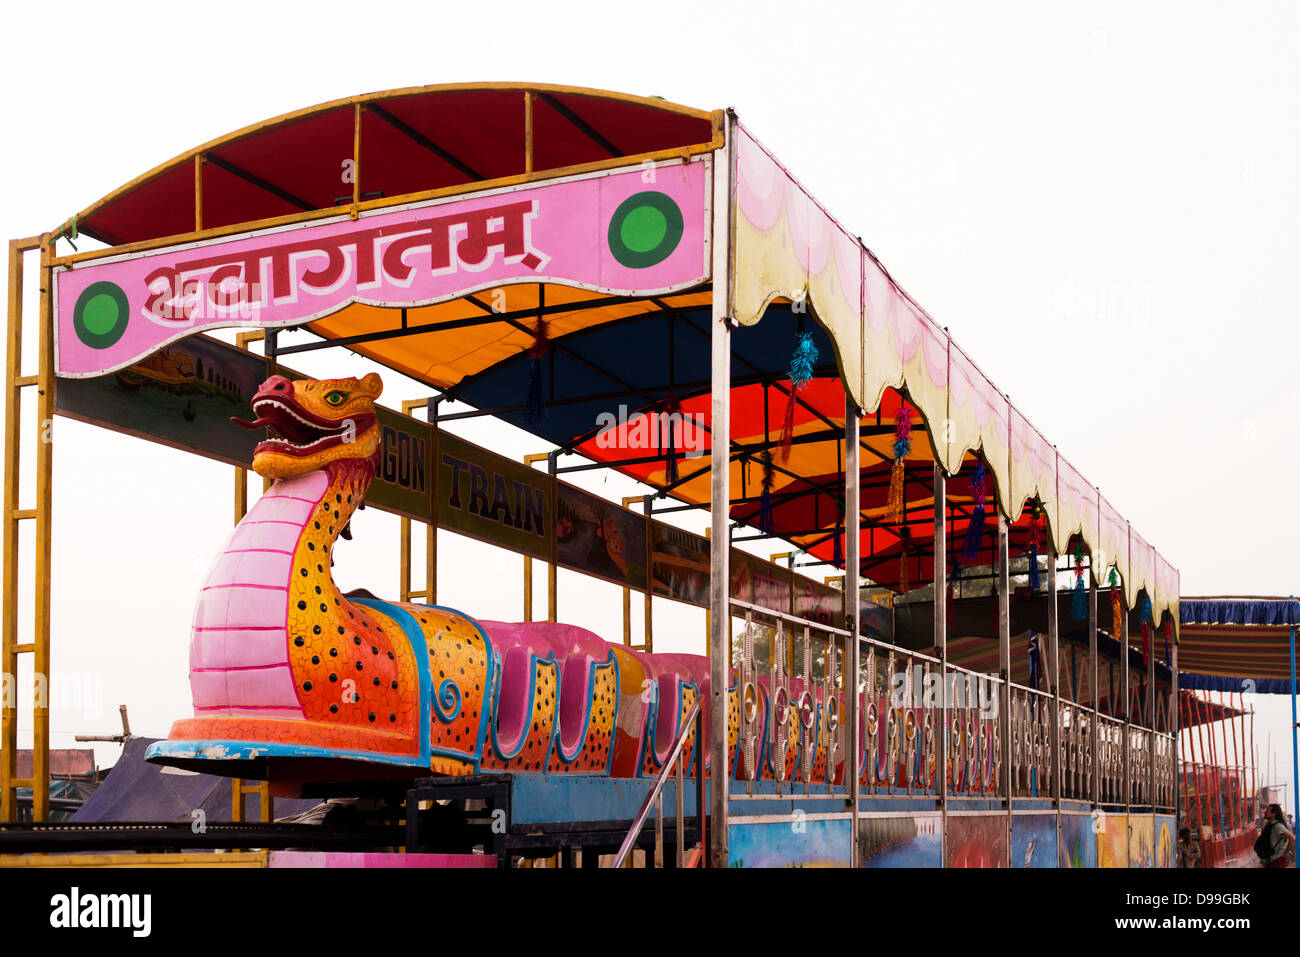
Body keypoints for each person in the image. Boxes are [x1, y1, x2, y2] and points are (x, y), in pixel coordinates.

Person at [1257, 804, 1295, 868]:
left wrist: (1285, 853)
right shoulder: (1270, 825)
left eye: (1267, 811)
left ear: (1274, 814)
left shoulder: (1277, 826)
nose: (1265, 812)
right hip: (1271, 860)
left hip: (1277, 861)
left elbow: (1292, 838)